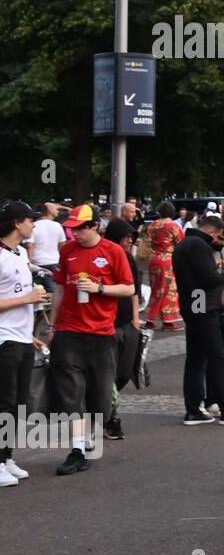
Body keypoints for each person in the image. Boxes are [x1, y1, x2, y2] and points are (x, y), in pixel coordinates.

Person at [47, 205, 136, 474]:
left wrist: (99, 288)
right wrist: (52, 325)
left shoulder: (113, 251)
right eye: (72, 228)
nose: (75, 233)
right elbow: (60, 288)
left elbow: (129, 287)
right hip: (69, 331)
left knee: (99, 397)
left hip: (100, 333)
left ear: (95, 226)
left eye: (80, 228)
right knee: (70, 392)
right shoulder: (67, 251)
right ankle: (75, 450)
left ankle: (88, 438)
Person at [173, 215, 224, 427]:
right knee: (216, 358)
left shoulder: (184, 244)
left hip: (192, 305)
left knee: (196, 358)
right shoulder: (199, 246)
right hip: (204, 308)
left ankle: (194, 409)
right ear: (213, 232)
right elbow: (208, 280)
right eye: (220, 239)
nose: (221, 244)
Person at [0, 202, 45, 486]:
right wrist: (27, 299)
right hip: (3, 340)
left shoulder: (19, 255)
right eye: (31, 220)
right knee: (3, 403)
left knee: (18, 404)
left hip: (21, 339)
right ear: (17, 222)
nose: (34, 226)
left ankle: (6, 457)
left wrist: (30, 334)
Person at [102, 219, 142, 442]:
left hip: (128, 323)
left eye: (132, 237)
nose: (130, 240)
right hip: (108, 324)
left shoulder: (128, 258)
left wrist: (136, 318)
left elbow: (134, 290)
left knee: (125, 372)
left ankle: (107, 407)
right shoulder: (106, 256)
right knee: (108, 372)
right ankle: (110, 418)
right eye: (127, 236)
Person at [143, 201, 184, 331]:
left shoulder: (153, 225)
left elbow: (148, 242)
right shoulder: (173, 226)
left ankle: (150, 319)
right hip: (168, 261)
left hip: (154, 259)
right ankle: (167, 322)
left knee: (156, 290)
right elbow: (181, 244)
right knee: (168, 291)